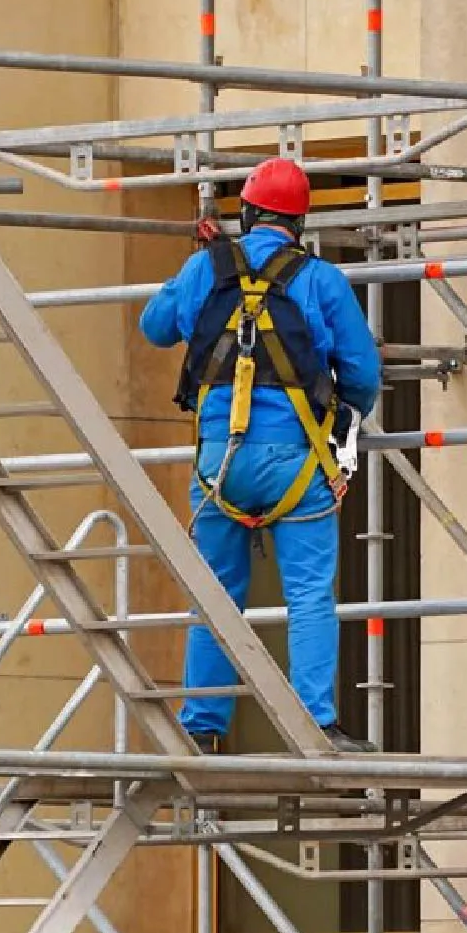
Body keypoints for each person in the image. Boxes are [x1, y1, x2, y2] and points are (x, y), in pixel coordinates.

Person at [139, 158, 382, 755]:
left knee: (217, 594)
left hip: (218, 462)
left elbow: (154, 326)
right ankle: (313, 727)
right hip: (294, 462)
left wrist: (195, 270)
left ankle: (203, 728)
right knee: (308, 594)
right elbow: (362, 374)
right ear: (299, 224)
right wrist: (341, 420)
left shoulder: (206, 268)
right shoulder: (321, 280)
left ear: (247, 212)